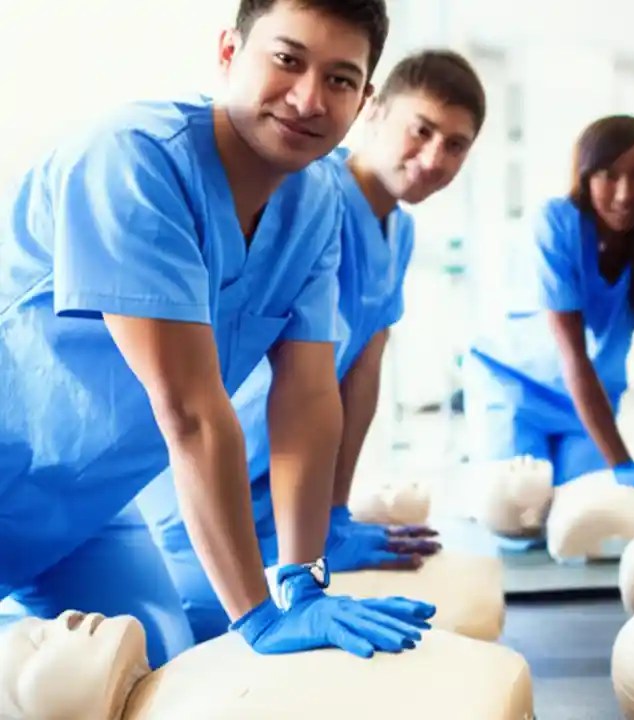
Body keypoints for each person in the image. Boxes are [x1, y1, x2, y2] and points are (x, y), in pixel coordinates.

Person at [0, 0, 433, 668]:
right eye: (287, 60)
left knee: (151, 665)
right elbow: (192, 410)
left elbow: (309, 397)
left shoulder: (317, 202)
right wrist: (256, 615)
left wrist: (301, 579)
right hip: (15, 463)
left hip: (88, 510)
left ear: (363, 99)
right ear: (229, 52)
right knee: (53, 685)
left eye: (339, 79)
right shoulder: (135, 160)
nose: (308, 99)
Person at [134, 49, 487, 642]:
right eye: (421, 130)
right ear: (374, 109)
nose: (433, 158)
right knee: (202, 646)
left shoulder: (399, 232)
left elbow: (360, 373)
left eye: (455, 145)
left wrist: (333, 515)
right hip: (209, 472)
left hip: (287, 490)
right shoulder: (312, 196)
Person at [465, 115, 634, 501]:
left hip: (590, 400)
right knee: (518, 510)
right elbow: (573, 355)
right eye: (607, 175)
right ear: (584, 176)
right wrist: (623, 465)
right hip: (514, 387)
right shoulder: (555, 223)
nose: (624, 194)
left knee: (589, 510)